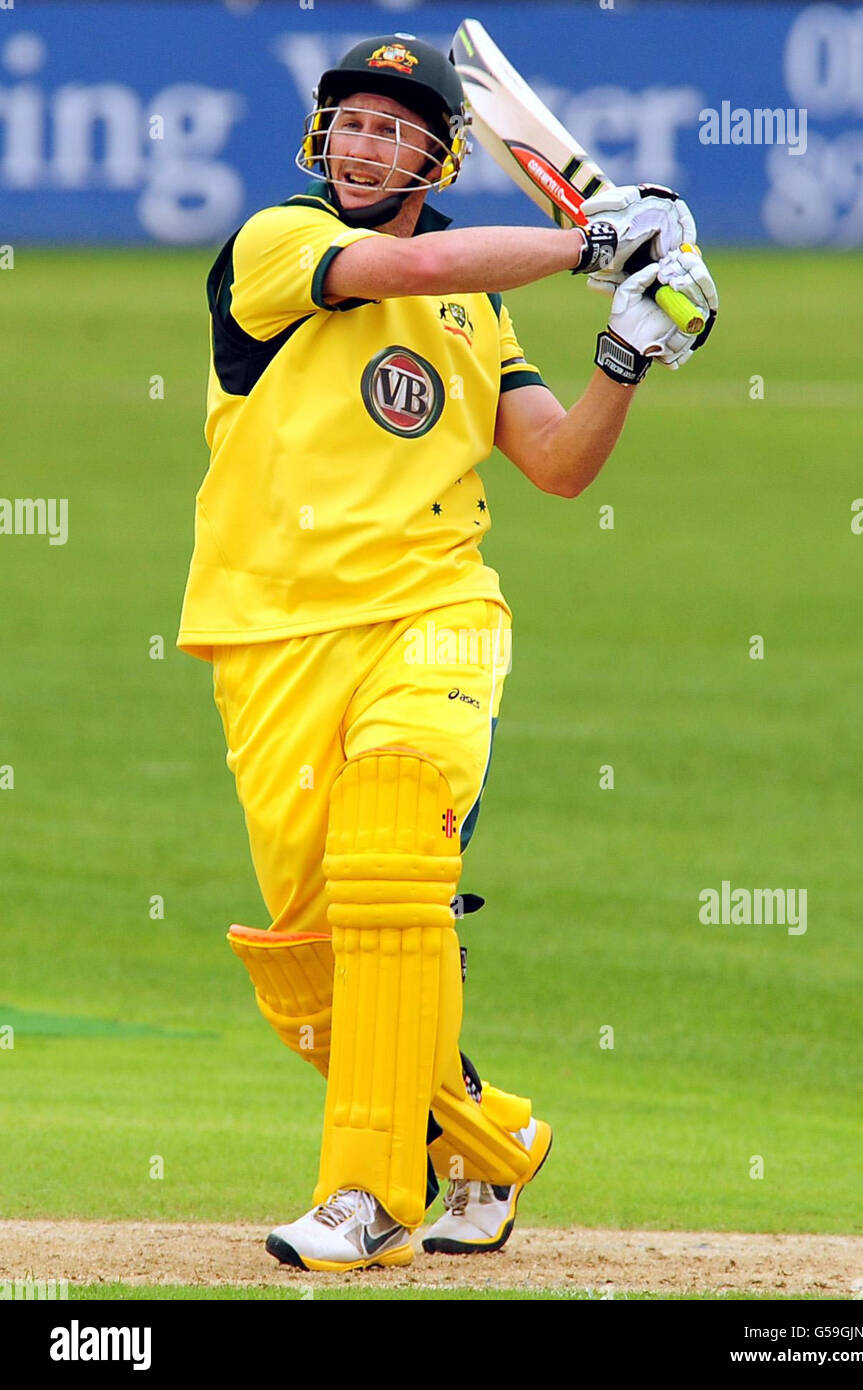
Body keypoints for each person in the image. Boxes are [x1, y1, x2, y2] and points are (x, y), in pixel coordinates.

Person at [177, 32, 717, 1274]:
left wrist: (626, 348)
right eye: (349, 123)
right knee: (323, 971)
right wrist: (591, 245)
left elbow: (561, 467)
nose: (365, 144)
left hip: (437, 616)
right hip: (272, 636)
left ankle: (366, 1201)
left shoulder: (481, 306)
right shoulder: (278, 243)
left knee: (389, 866)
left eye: (393, 127)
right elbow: (408, 262)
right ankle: (488, 1140)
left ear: (438, 150)